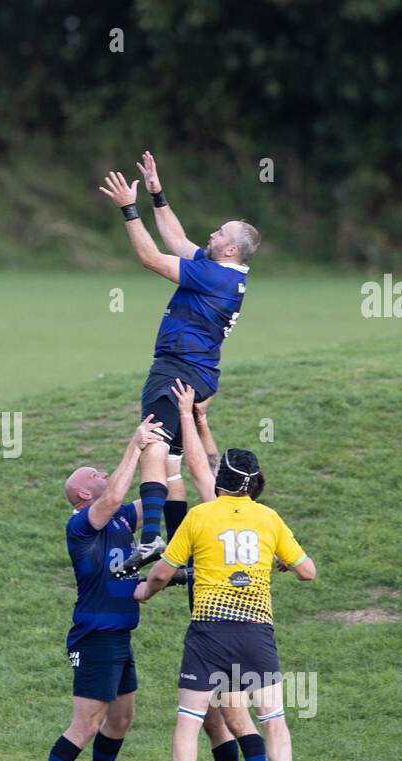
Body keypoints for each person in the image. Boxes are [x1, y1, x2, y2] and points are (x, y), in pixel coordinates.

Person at [134, 426, 321, 761]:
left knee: (189, 718)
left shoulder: (200, 516)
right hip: (256, 630)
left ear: (221, 483)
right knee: (273, 718)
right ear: (253, 486)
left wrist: (143, 594)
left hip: (209, 631)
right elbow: (308, 571)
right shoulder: (269, 518)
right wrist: (282, 562)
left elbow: (163, 572)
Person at [97, 154, 260, 577]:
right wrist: (156, 192)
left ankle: (152, 538)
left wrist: (127, 209)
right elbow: (176, 239)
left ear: (228, 248)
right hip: (196, 371)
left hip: (178, 369)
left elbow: (151, 257)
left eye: (219, 232)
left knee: (150, 440)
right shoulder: (221, 269)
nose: (212, 232)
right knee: (170, 464)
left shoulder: (216, 277)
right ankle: (181, 552)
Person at [23, 416, 164, 761]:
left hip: (119, 635)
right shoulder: (81, 525)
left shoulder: (119, 520)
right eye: (93, 473)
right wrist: (134, 447)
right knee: (86, 723)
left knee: (121, 719)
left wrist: (169, 455)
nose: (100, 472)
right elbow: (115, 498)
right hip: (94, 636)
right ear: (83, 492)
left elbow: (166, 498)